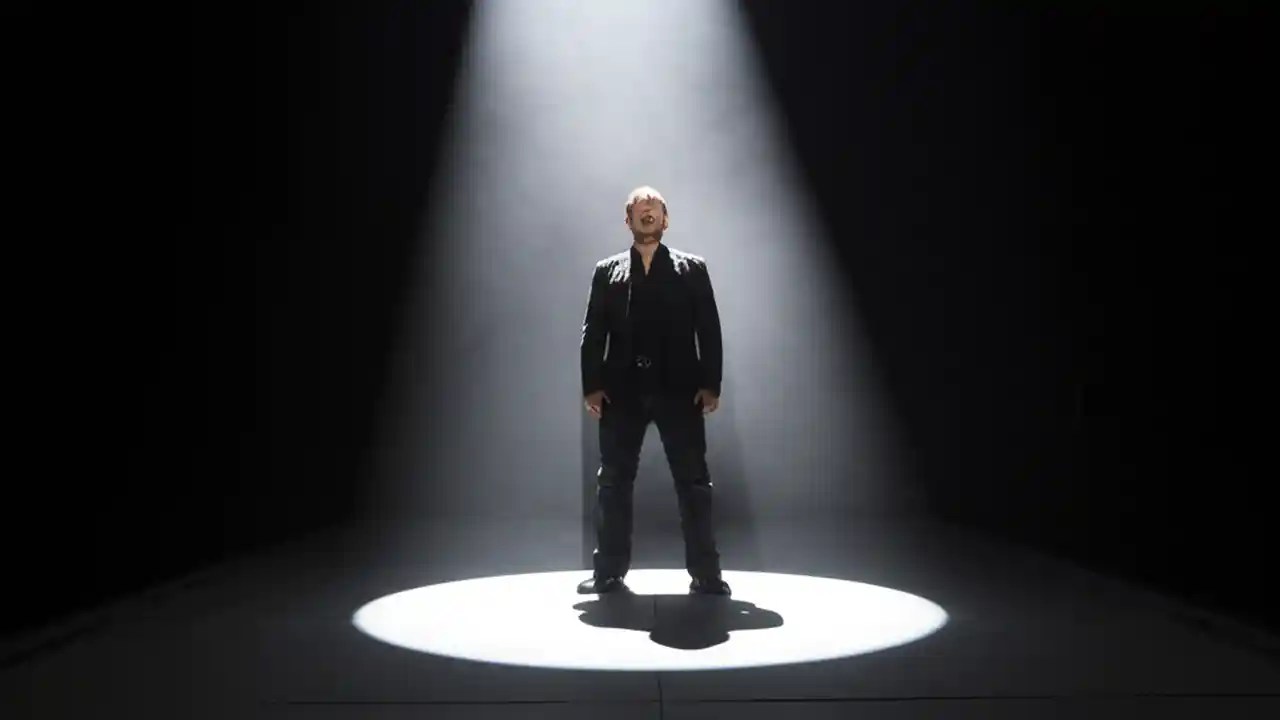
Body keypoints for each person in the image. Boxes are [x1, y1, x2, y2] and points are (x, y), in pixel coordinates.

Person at [577, 186, 731, 596]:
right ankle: (607, 572)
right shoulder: (606, 270)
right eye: (639, 210)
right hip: (621, 392)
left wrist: (709, 383)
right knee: (612, 482)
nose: (647, 215)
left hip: (679, 389)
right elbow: (594, 333)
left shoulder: (691, 268)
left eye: (654, 210)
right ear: (627, 221)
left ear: (666, 219)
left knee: (694, 483)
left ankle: (706, 573)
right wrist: (592, 386)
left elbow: (709, 329)